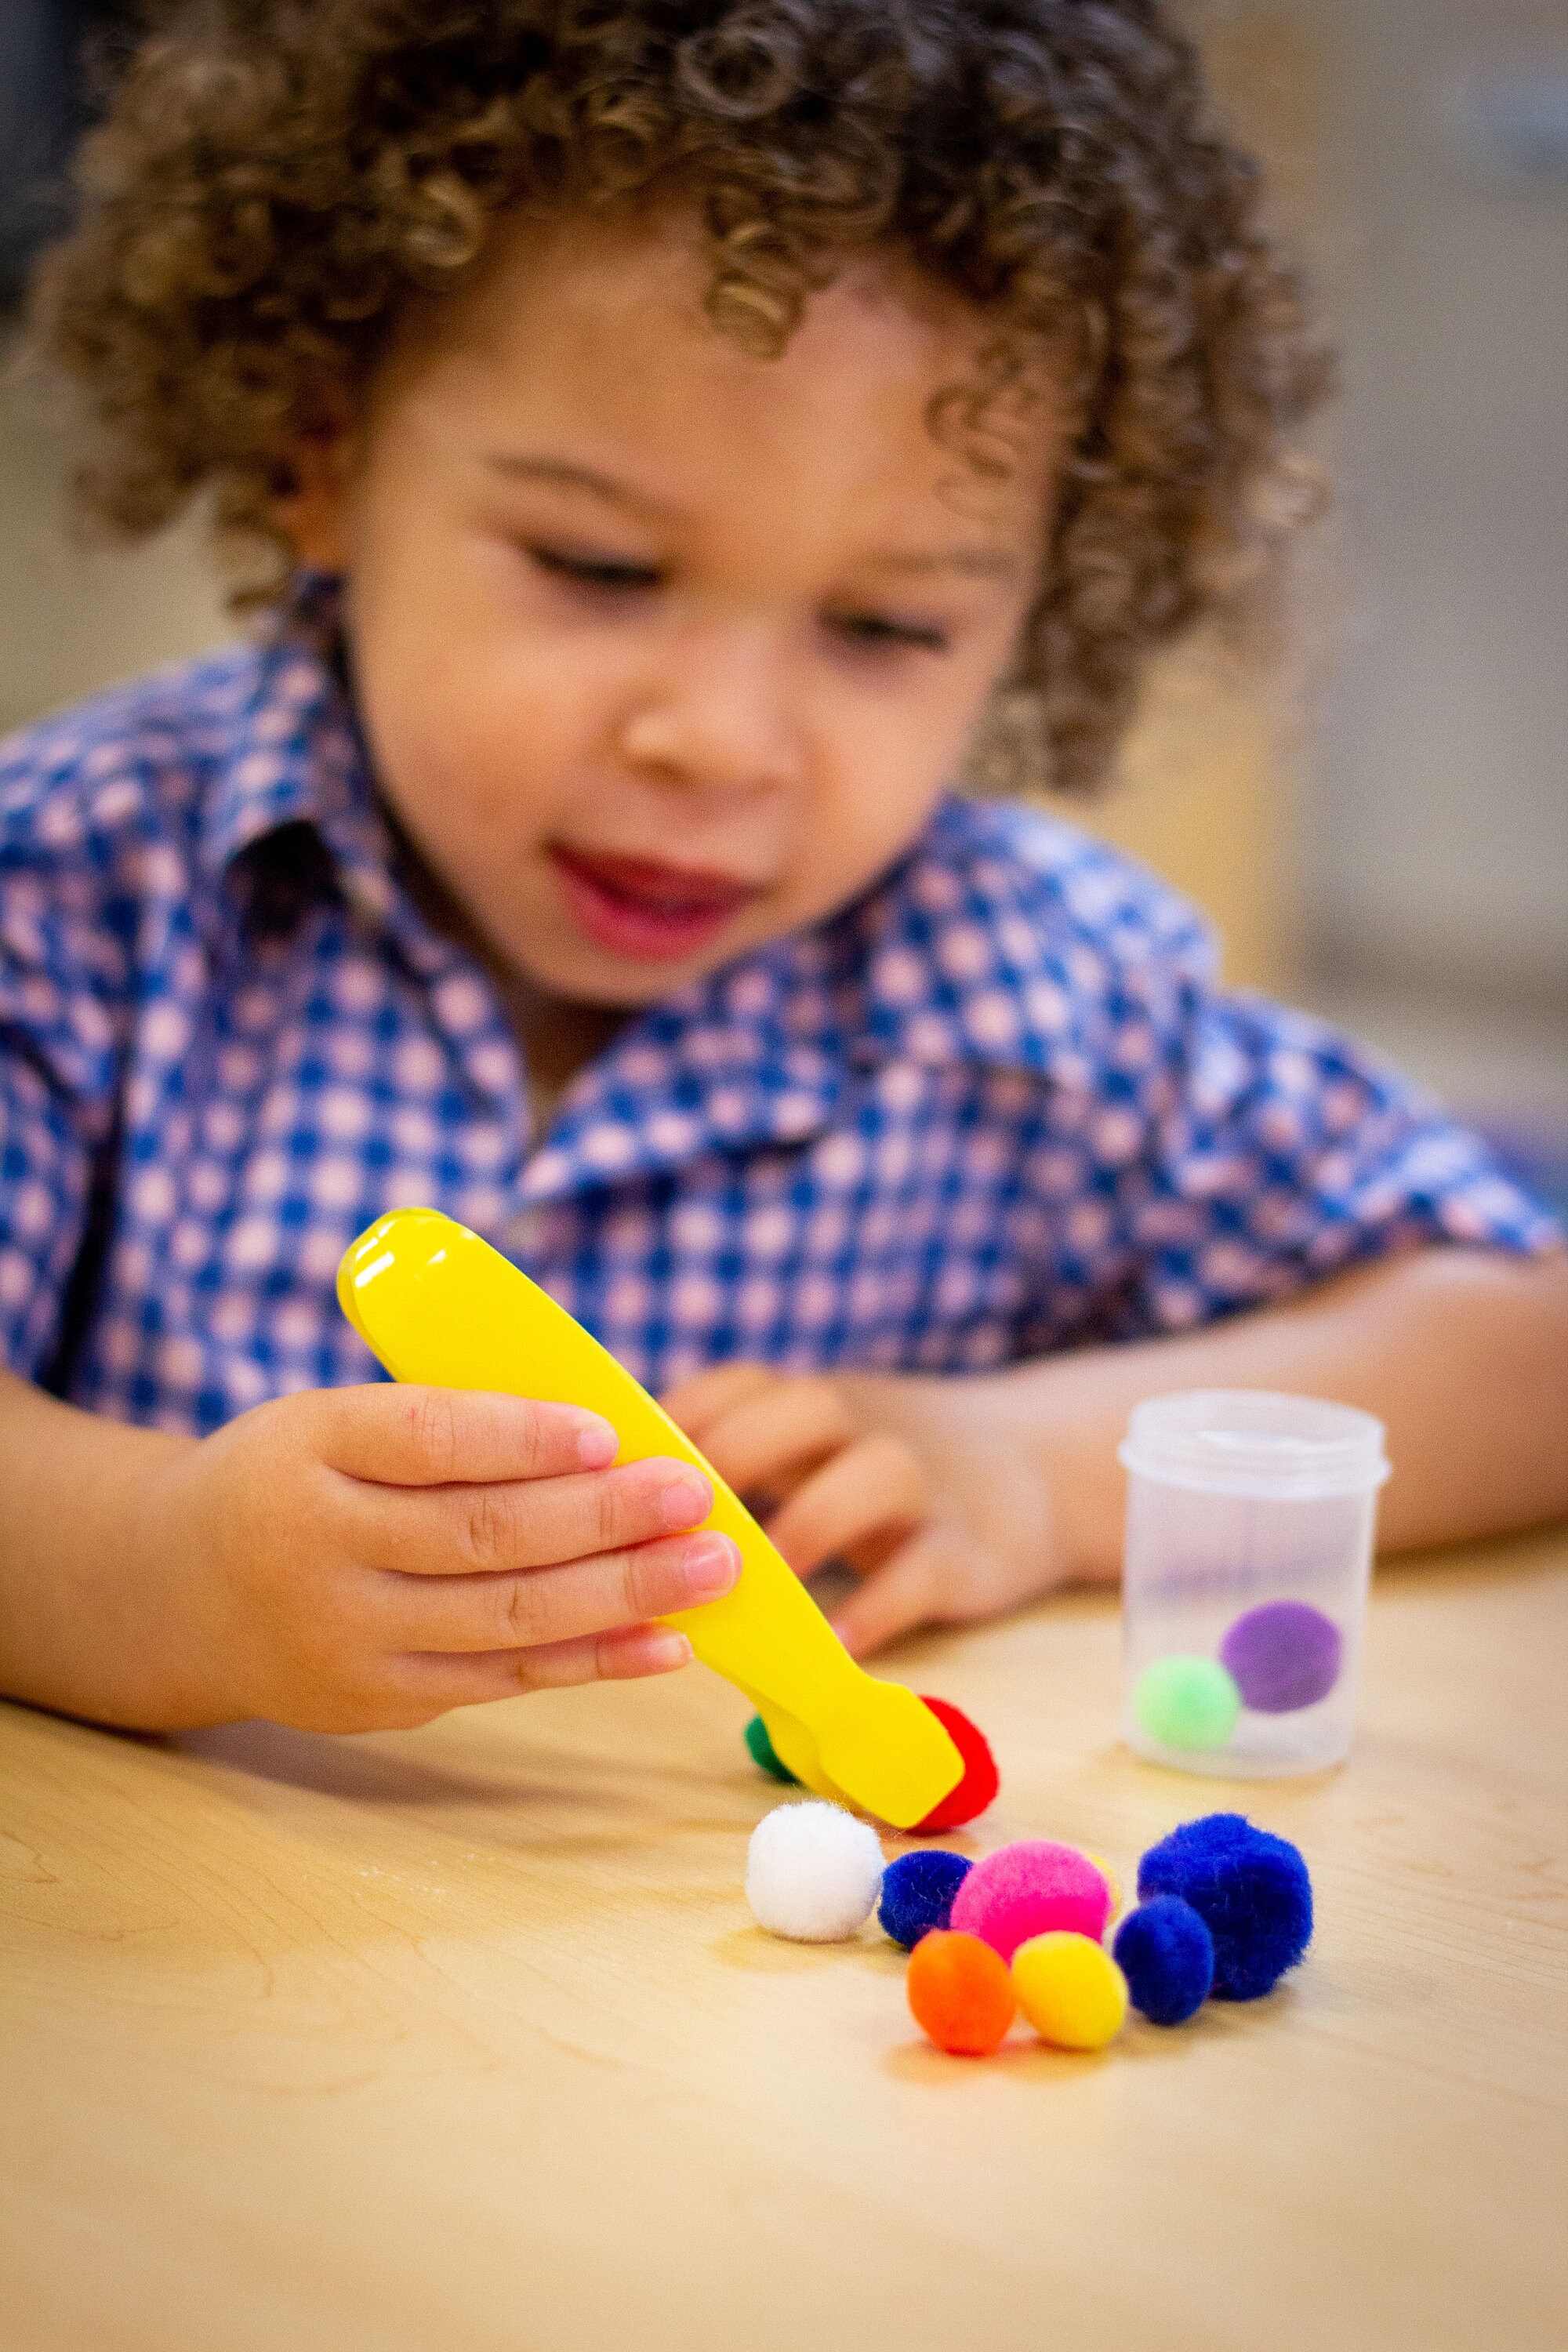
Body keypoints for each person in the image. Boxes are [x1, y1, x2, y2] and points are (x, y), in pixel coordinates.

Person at [2, 0, 1564, 1736]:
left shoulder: (1035, 990)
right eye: (598, 566)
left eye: (887, 624)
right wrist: (156, 1565)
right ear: (325, 456)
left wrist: (1024, 1469)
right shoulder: (75, 893)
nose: (725, 743)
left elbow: (1526, 1347)